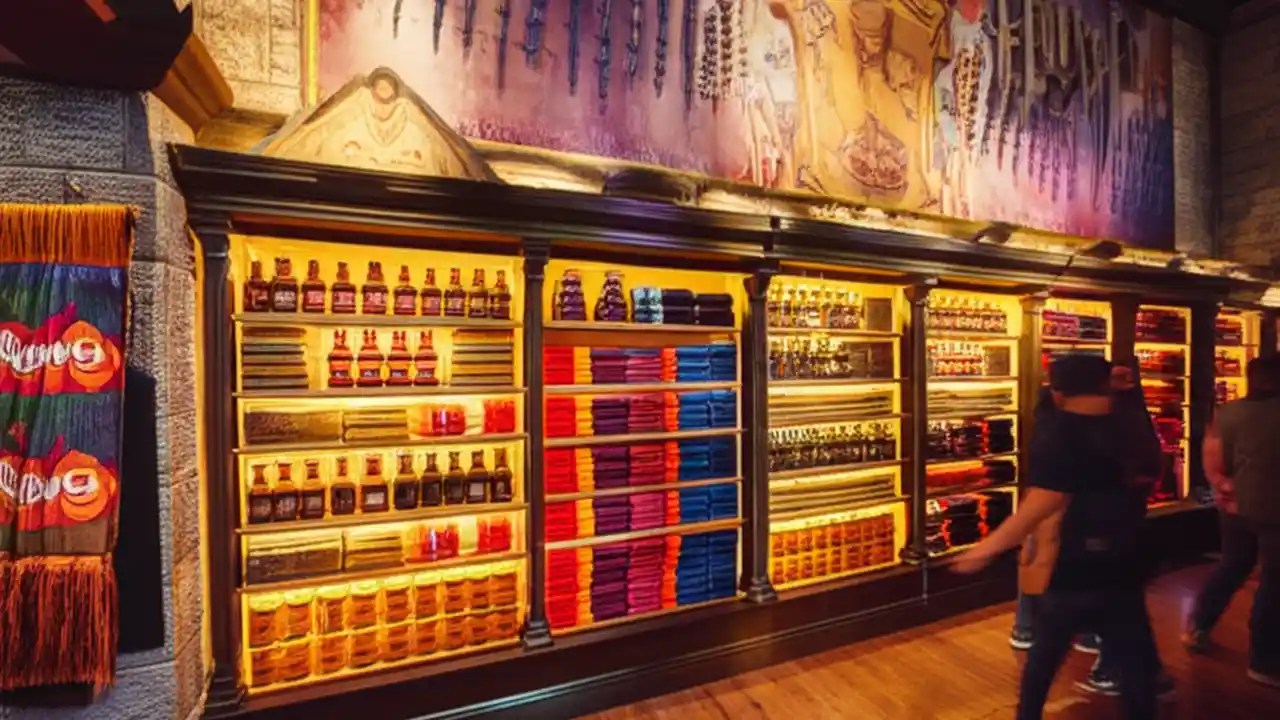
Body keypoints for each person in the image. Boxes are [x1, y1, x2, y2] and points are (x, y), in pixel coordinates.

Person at [955, 355, 1159, 720]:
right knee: (1135, 664)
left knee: (1045, 656)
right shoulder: (1127, 422)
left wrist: (988, 547)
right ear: (1104, 383)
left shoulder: (1060, 430)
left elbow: (1044, 500)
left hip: (1077, 558)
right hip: (1127, 554)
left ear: (1058, 392)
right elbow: (1151, 469)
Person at [1190, 355, 1280, 688]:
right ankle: (1264, 660)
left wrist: (1224, 489)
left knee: (1232, 566)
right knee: (1273, 583)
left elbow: (1213, 459)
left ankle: (1199, 625)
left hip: (1234, 506)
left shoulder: (1228, 413)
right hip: (1273, 510)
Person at [1008, 384, 1103, 656]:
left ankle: (1026, 627)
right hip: (1064, 504)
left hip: (1042, 502)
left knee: (1037, 557)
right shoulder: (1071, 429)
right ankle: (1081, 631)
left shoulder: (1045, 426)